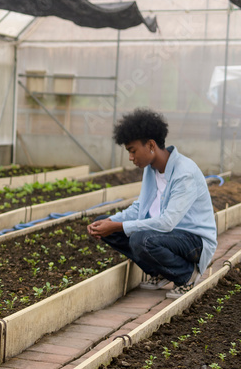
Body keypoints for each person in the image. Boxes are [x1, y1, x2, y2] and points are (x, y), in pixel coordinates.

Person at [88, 108, 217, 298]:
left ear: (150, 145)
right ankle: (162, 272)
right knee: (107, 224)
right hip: (168, 236)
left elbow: (167, 222)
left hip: (193, 241)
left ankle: (186, 275)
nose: (131, 158)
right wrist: (110, 221)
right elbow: (141, 207)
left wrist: (118, 225)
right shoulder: (152, 169)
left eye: (133, 151)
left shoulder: (184, 173)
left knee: (140, 238)